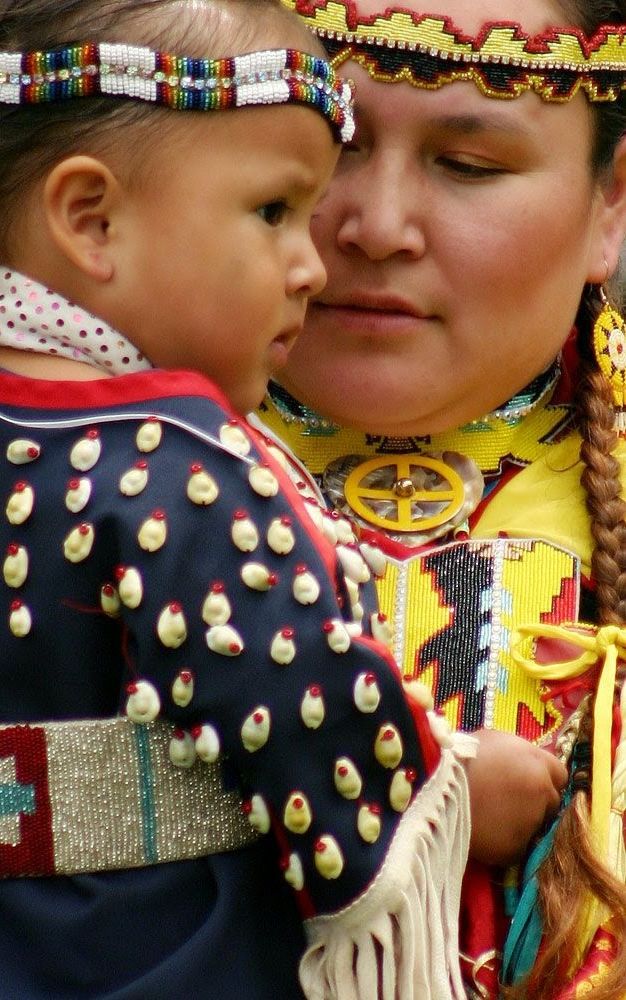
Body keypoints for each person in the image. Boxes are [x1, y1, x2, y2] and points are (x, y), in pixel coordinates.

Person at [0, 1, 505, 997]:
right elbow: (308, 715)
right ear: (90, 218)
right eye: (272, 212)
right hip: (165, 955)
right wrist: (459, 785)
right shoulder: (177, 462)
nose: (311, 263)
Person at [256, 0, 626, 997]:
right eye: (329, 143)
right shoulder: (38, 481)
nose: (375, 226)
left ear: (613, 204)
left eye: (466, 166)